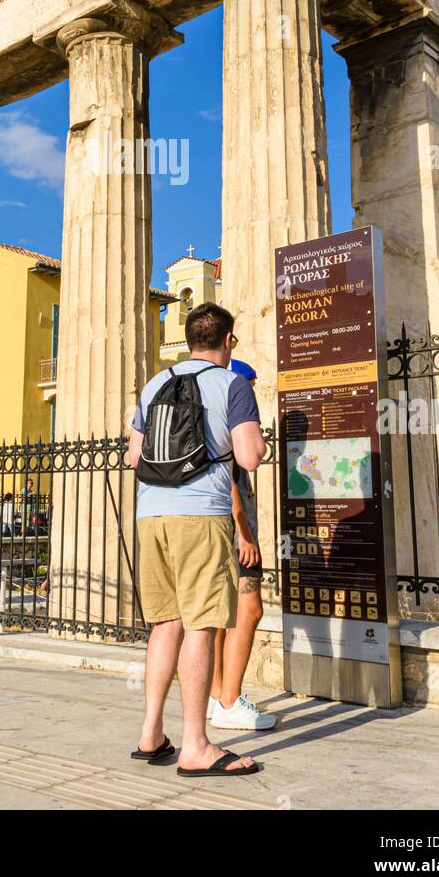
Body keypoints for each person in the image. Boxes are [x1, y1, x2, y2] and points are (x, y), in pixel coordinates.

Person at [128, 302, 268, 778]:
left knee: (164, 624)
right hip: (201, 516)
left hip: (151, 514)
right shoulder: (231, 385)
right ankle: (196, 747)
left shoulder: (153, 385)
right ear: (228, 340)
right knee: (202, 626)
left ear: (189, 339)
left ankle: (150, 734)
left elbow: (134, 456)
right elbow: (248, 458)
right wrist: (256, 440)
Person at [208, 358, 277, 731]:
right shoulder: (232, 415)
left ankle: (217, 693)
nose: (253, 392)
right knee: (249, 611)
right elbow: (230, 479)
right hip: (234, 530)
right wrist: (244, 532)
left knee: (222, 615)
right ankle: (230, 700)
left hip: (211, 529)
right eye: (251, 384)